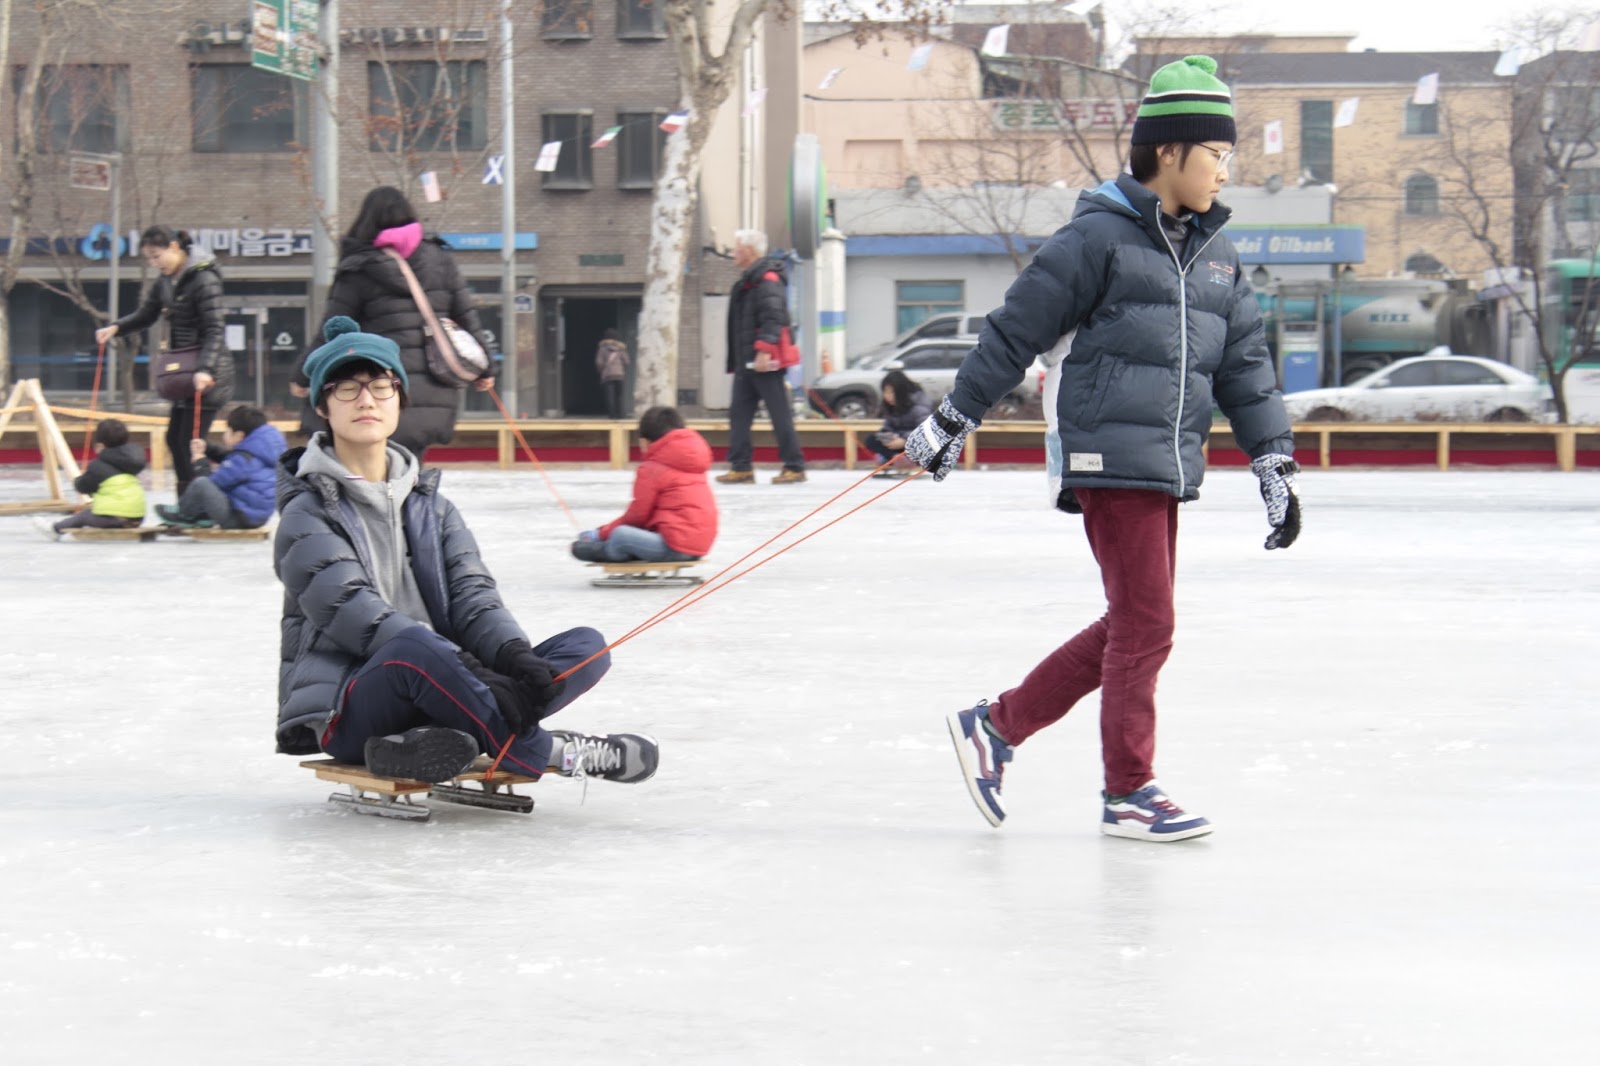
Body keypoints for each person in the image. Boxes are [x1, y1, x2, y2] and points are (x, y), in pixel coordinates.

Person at [904, 55, 1302, 842]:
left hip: (1167, 460)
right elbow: (1014, 329)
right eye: (1217, 154)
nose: (1228, 170)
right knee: (1147, 623)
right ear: (1169, 153)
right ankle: (1128, 790)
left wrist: (1272, 460)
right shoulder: (1097, 239)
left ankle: (999, 725)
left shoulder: (1217, 257)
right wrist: (954, 416)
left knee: (1135, 623)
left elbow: (1246, 368)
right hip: (1106, 454)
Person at [274, 316, 658, 786]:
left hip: (449, 683)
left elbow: (474, 596)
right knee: (412, 644)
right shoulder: (306, 513)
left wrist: (514, 658)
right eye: (346, 388)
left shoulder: (434, 507)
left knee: (586, 647)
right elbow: (359, 617)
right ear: (323, 406)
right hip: (354, 703)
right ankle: (554, 751)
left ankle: (442, 737)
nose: (367, 399)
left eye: (380, 385)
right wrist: (470, 668)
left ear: (399, 400)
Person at [291, 186, 493, 462]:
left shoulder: (360, 267)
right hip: (434, 388)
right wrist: (486, 369)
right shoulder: (440, 259)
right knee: (409, 474)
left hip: (380, 389)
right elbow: (467, 317)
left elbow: (334, 329)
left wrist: (303, 375)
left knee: (371, 476)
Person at [95, 226, 230, 499]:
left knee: (190, 443)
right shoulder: (166, 281)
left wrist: (205, 369)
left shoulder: (203, 279)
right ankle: (187, 503)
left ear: (174, 247)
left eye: (157, 256)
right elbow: (147, 313)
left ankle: (203, 502)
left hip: (208, 373)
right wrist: (117, 328)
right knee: (175, 439)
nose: (155, 263)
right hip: (182, 372)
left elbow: (215, 328)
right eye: (150, 259)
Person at [717, 229, 807, 485]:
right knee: (739, 414)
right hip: (747, 362)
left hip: (763, 362)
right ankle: (741, 466)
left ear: (749, 251)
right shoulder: (749, 280)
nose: (733, 253)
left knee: (779, 414)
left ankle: (794, 466)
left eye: (736, 248)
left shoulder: (767, 279)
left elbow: (773, 316)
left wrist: (763, 350)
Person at [571, 406, 717, 564]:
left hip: (673, 546)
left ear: (645, 441)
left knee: (621, 535)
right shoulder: (691, 462)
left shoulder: (652, 468)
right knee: (631, 532)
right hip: (700, 545)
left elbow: (637, 517)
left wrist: (600, 534)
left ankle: (607, 550)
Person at [156, 405, 286, 529]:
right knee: (209, 485)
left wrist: (200, 463)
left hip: (237, 518)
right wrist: (208, 448)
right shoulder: (261, 452)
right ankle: (200, 516)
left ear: (239, 435)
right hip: (253, 516)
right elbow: (231, 459)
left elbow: (215, 483)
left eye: (227, 431)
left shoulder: (243, 459)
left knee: (201, 484)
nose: (225, 434)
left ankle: (182, 514)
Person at [38, 419, 146, 538]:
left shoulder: (98, 466)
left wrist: (77, 481)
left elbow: (83, 486)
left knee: (84, 516)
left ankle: (55, 529)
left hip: (115, 518)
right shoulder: (131, 464)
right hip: (137, 517)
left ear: (100, 446)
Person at [862, 369, 932, 475]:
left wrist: (904, 441)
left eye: (891, 392)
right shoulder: (891, 407)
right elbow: (888, 426)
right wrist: (886, 436)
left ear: (901, 391)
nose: (887, 396)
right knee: (871, 440)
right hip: (897, 444)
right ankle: (895, 459)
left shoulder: (918, 406)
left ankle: (908, 460)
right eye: (885, 392)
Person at [595, 328, 631, 420]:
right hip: (619, 375)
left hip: (607, 375)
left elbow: (599, 362)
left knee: (609, 396)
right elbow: (626, 361)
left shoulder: (602, 349)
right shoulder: (621, 349)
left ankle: (612, 415)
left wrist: (601, 370)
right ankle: (621, 415)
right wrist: (621, 369)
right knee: (619, 395)